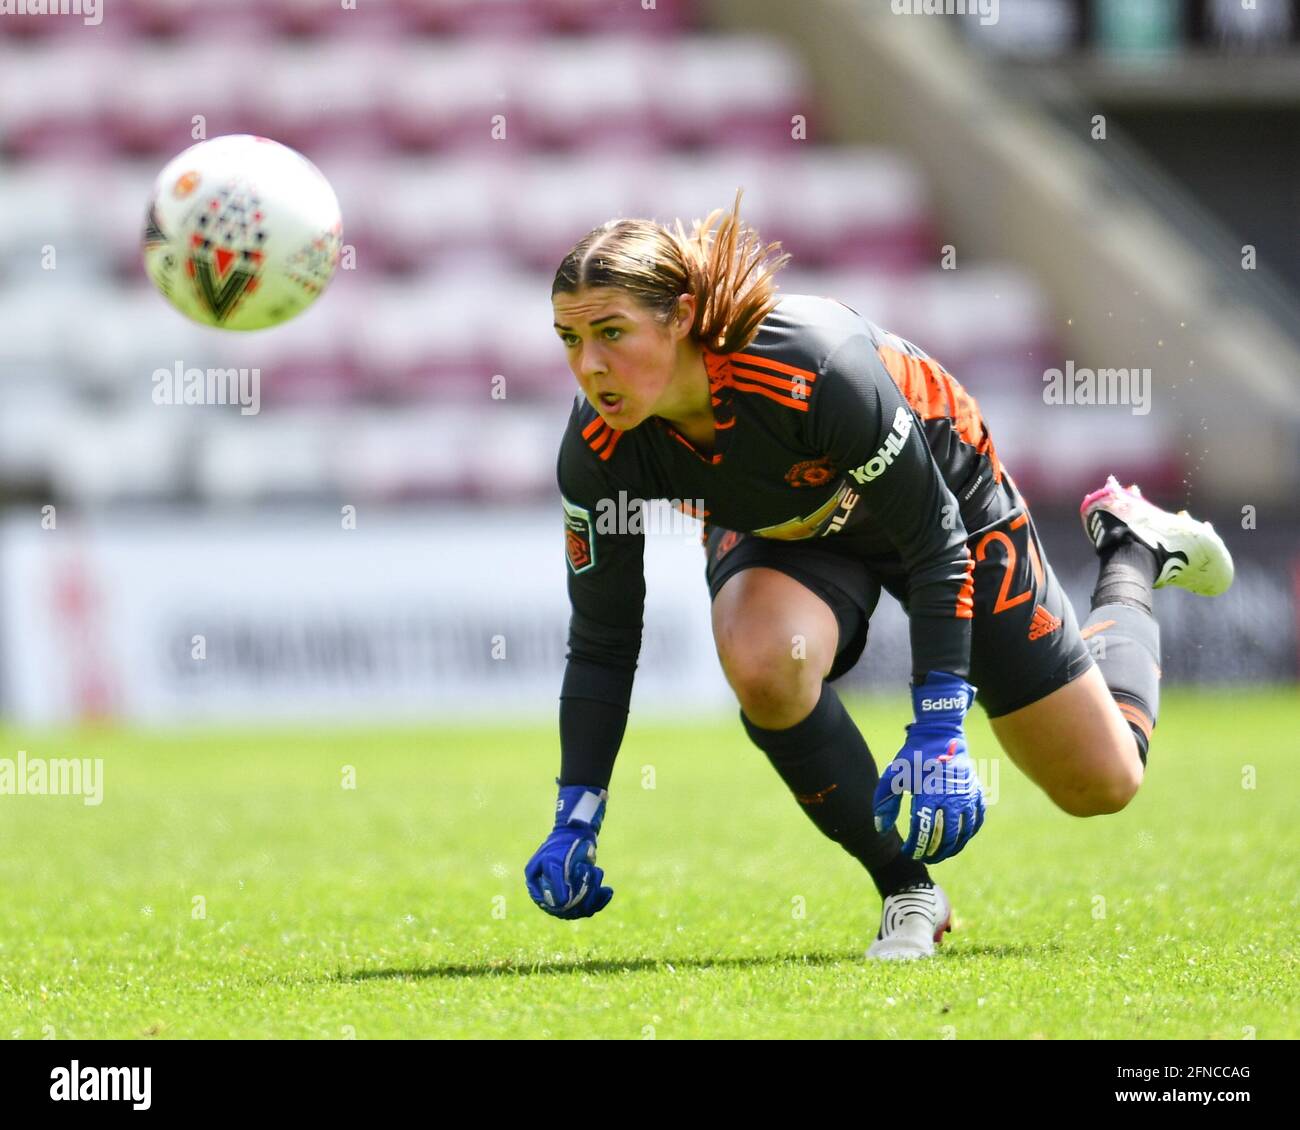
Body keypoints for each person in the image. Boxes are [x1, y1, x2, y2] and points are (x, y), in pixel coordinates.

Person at [523, 192, 1234, 960]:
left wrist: (938, 731)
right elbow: (602, 639)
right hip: (790, 528)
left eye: (611, 333)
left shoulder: (812, 365)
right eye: (569, 338)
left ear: (684, 314)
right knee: (763, 663)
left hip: (946, 505)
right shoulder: (599, 447)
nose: (589, 365)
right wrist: (577, 812)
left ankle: (1130, 550)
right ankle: (907, 889)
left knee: (1103, 785)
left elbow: (934, 544)